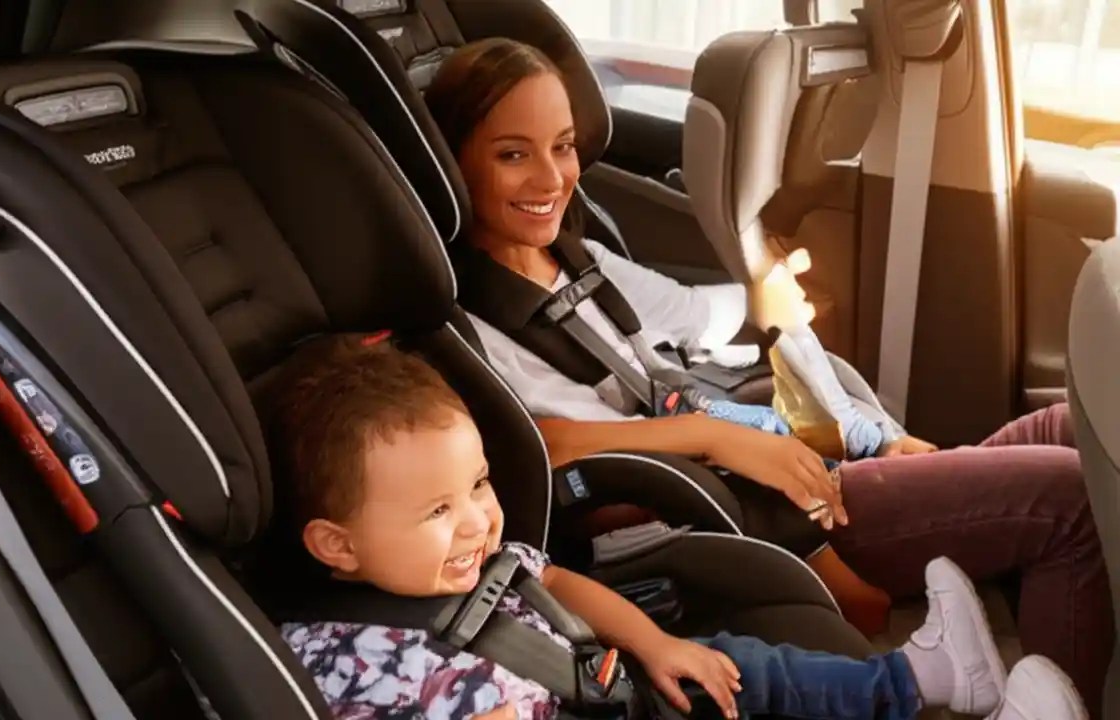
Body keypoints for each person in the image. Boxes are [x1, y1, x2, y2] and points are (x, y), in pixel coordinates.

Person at [421, 37, 1112, 715]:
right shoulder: (471, 326)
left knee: (1062, 426)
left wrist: (768, 293)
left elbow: (695, 315)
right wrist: (713, 437)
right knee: (1073, 500)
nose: (551, 178)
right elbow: (548, 447)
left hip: (752, 460)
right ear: (453, 168)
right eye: (513, 154)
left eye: (563, 146)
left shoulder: (579, 261)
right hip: (714, 506)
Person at [268, 335, 1085, 720]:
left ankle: (921, 680)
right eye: (439, 510)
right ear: (335, 544)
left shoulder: (479, 561)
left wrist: (654, 647)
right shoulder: (327, 655)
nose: (478, 518)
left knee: (740, 667)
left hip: (609, 685)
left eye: (479, 485)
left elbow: (555, 581)